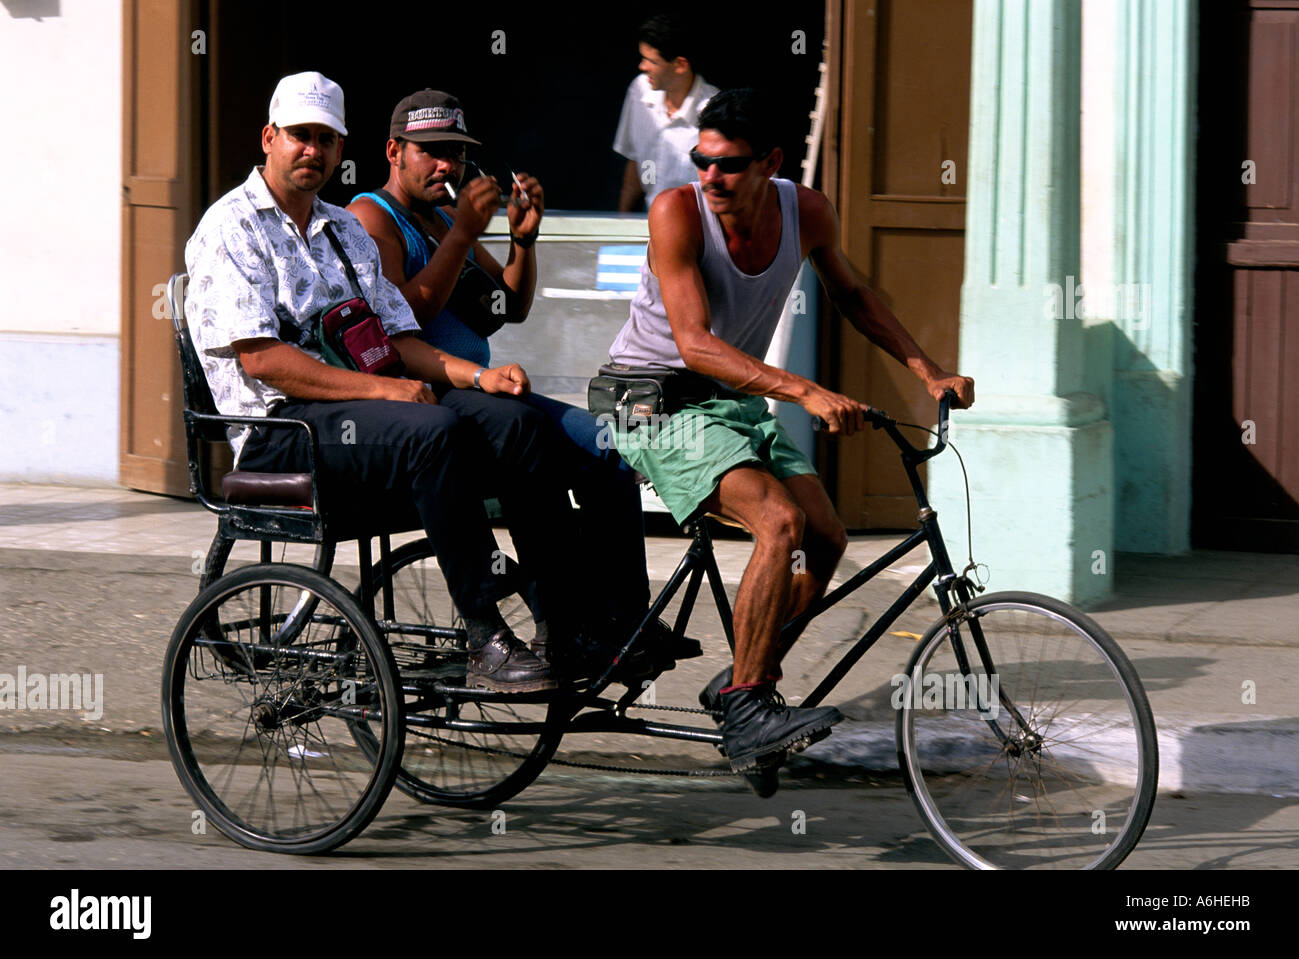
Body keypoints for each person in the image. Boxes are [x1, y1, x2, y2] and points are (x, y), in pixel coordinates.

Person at [602, 88, 976, 784]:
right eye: (701, 162)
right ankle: (748, 703)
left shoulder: (805, 210)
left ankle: (746, 678)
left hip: (728, 402)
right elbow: (693, 342)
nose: (709, 178)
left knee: (826, 536)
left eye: (729, 166)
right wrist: (803, 389)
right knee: (779, 521)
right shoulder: (677, 212)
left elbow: (855, 296)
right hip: (648, 400)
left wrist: (928, 371)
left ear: (771, 162)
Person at [184, 71, 581, 694]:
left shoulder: (344, 229)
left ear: (342, 150)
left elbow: (399, 342)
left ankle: (562, 623)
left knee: (518, 423)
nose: (312, 150)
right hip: (281, 428)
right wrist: (381, 390)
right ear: (270, 138)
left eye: (326, 139)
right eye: (300, 136)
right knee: (432, 430)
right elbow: (261, 358)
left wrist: (481, 375)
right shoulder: (231, 227)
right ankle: (484, 634)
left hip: (361, 414)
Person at [347, 89, 691, 678]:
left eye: (454, 153)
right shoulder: (372, 215)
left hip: (479, 387)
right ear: (393, 152)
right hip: (428, 394)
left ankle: (624, 621)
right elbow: (399, 319)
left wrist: (522, 242)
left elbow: (507, 305)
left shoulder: (446, 217)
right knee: (526, 435)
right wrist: (460, 237)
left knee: (610, 451)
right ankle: (562, 624)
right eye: (430, 152)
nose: (445, 166)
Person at [613, 13, 719, 212]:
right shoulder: (639, 91)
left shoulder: (716, 110)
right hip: (648, 225)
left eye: (651, 61)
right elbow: (637, 162)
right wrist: (622, 220)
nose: (642, 66)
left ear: (680, 65)